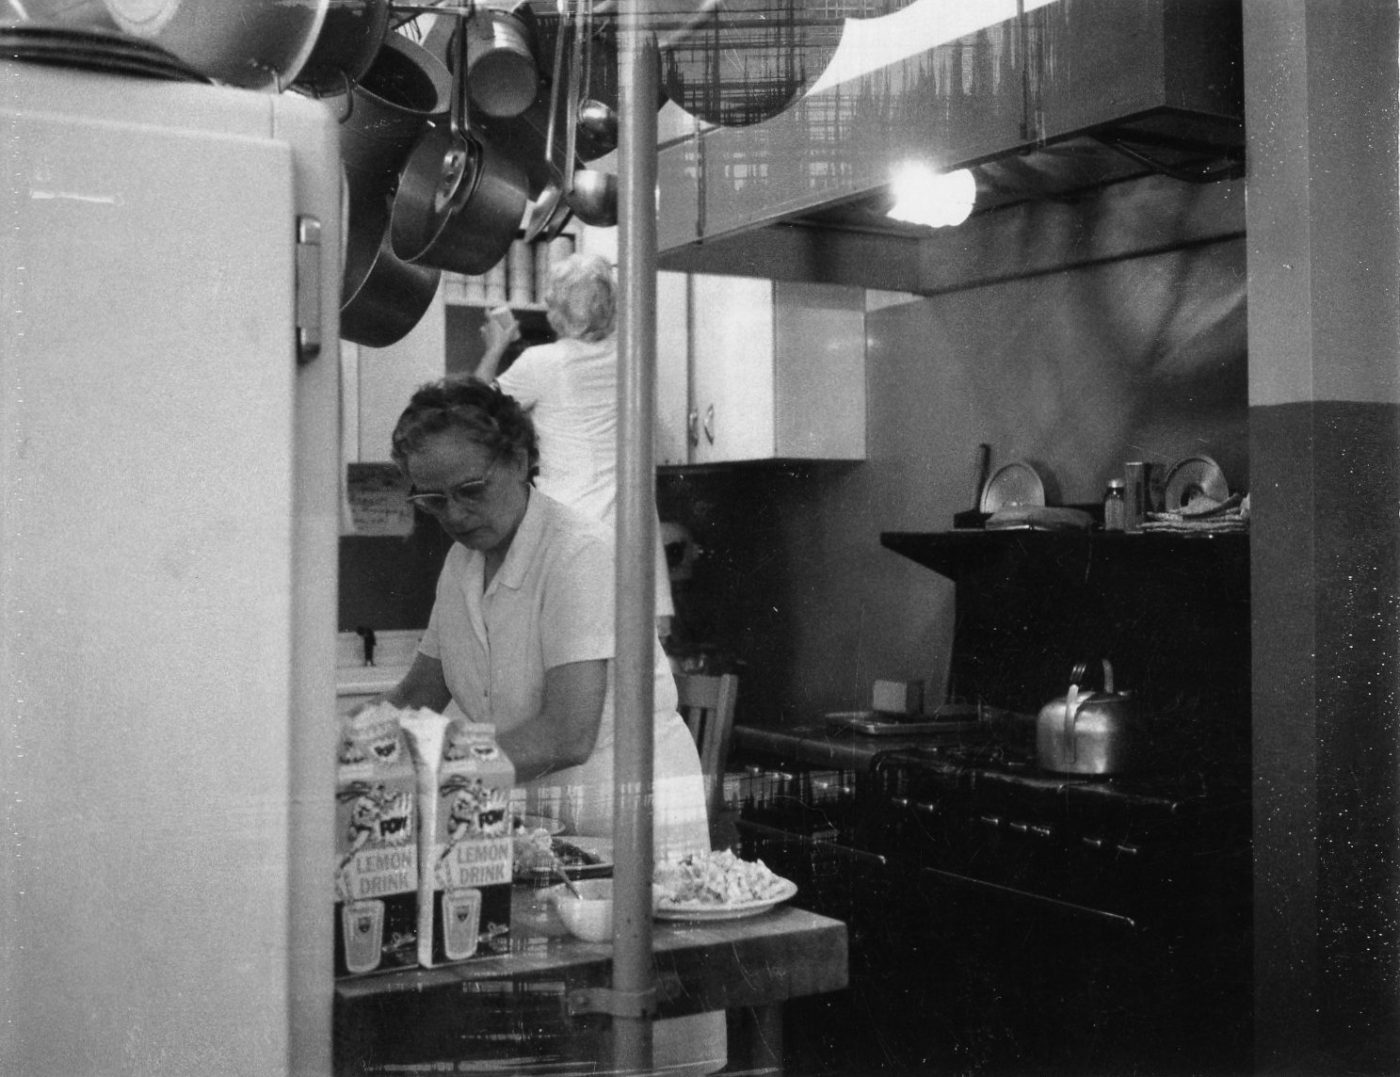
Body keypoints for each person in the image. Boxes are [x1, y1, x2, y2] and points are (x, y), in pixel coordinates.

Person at [377, 376, 709, 861]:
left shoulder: (578, 553)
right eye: (432, 500)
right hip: (545, 830)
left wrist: (437, 769)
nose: (454, 513)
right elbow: (417, 694)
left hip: (628, 826)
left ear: (517, 460)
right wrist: (333, 747)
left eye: (470, 489)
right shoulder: (462, 563)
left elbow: (566, 735)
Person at [474, 251, 675, 639]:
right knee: (635, 680)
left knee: (575, 672)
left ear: (557, 311)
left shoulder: (543, 362)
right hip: (633, 547)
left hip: (572, 540)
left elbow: (472, 410)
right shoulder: (635, 356)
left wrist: (495, 348)